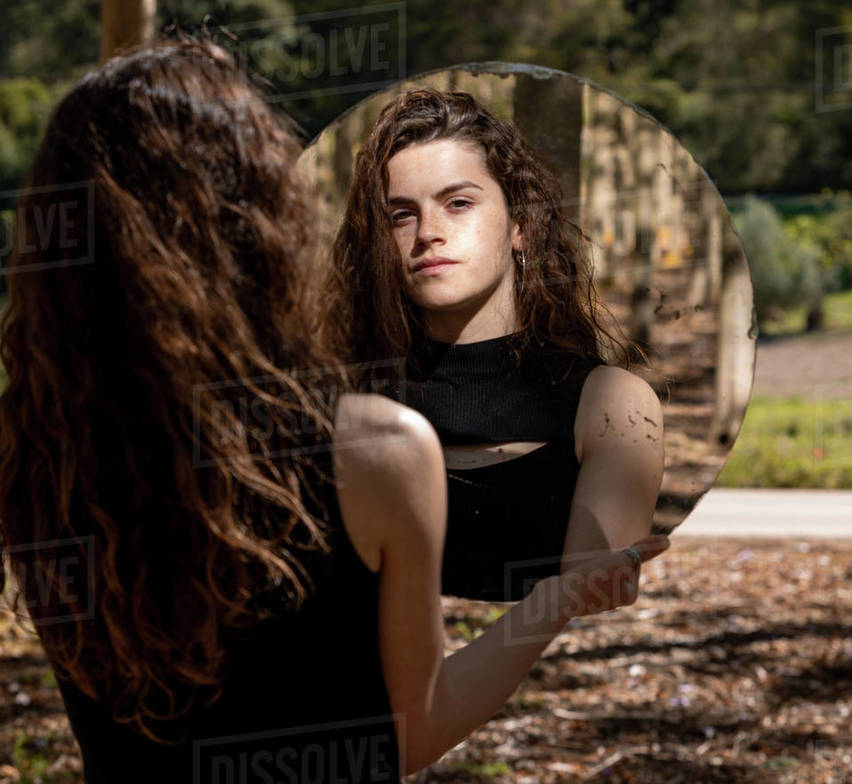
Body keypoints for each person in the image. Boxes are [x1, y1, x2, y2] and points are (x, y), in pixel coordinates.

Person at [0, 39, 668, 783]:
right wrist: (552, 603)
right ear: (254, 222)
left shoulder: (33, 450)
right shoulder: (377, 448)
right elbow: (411, 735)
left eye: (457, 202)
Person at [324, 86, 666, 602]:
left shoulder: (610, 406)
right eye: (400, 215)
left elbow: (590, 619)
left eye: (458, 203)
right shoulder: (342, 398)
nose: (428, 233)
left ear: (520, 227)